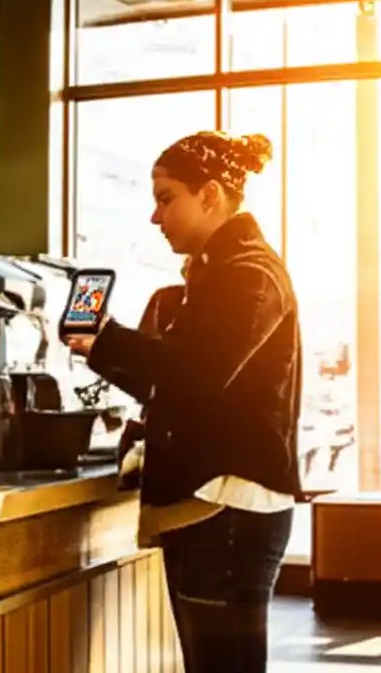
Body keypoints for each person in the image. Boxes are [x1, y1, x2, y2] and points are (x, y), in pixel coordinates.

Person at [66, 130, 302, 672]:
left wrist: (110, 342)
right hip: (217, 510)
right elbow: (184, 383)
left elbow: (196, 371)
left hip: (224, 511)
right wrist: (106, 346)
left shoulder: (248, 275)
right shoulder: (223, 272)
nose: (155, 217)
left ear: (211, 195)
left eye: (166, 198)